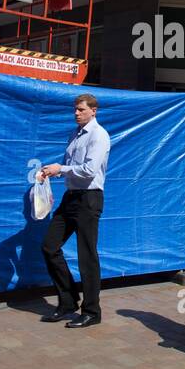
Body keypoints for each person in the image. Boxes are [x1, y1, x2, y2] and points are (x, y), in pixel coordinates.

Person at [37, 93, 111, 328]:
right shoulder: (75, 135)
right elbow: (71, 167)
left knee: (86, 255)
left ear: (93, 110)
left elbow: (89, 171)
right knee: (49, 246)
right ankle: (68, 301)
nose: (76, 113)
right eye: (75, 109)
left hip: (89, 198)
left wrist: (62, 168)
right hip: (71, 198)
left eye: (81, 109)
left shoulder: (99, 135)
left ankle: (92, 311)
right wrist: (53, 171)